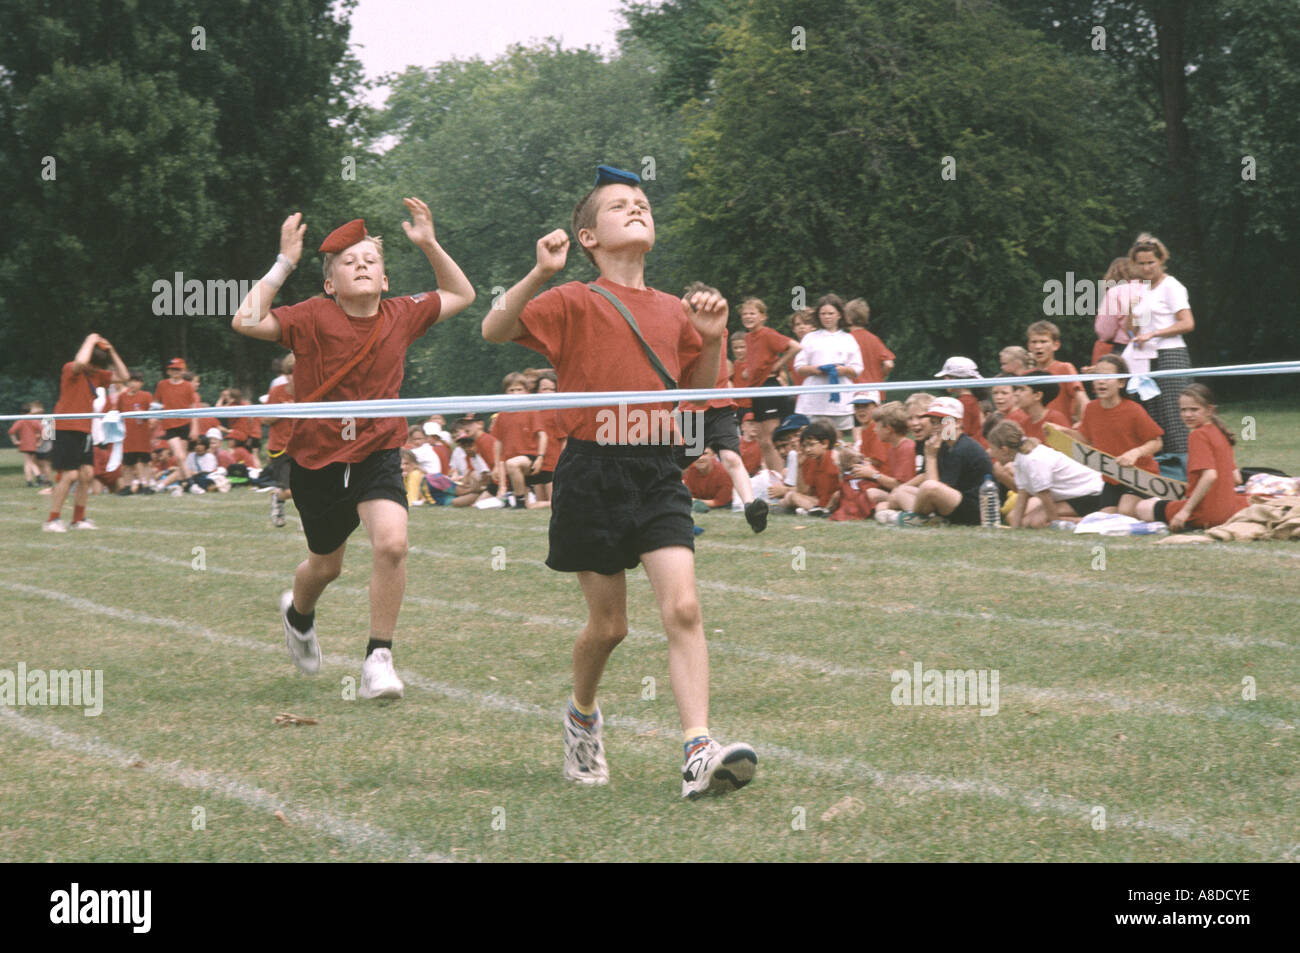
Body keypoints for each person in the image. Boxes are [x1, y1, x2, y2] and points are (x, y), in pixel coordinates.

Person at [481, 164, 757, 799]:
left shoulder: (673, 309)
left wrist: (712, 340)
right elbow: (496, 327)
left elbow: (695, 398)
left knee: (683, 608)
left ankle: (697, 750)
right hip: (591, 469)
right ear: (588, 237)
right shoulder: (573, 298)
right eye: (620, 206)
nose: (638, 209)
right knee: (610, 628)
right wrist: (540, 273)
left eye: (643, 203)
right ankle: (582, 717)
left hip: (657, 468)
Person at [231, 197, 475, 699]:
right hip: (317, 460)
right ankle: (298, 614)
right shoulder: (311, 316)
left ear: (385, 280)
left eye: (371, 261)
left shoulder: (402, 314)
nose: (362, 265)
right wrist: (284, 263)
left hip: (378, 452)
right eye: (349, 261)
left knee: (392, 543)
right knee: (326, 565)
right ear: (329, 282)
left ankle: (378, 659)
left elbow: (461, 293)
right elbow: (245, 321)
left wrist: (428, 242)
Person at [678, 282, 767, 532]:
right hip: (692, 409)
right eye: (699, 306)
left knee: (731, 457)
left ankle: (751, 506)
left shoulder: (719, 330)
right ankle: (674, 510)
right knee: (680, 463)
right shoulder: (681, 334)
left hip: (721, 406)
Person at [1058, 354, 1163, 515]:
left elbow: (1156, 442)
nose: (1101, 381)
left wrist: (1135, 453)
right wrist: (1061, 431)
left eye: (1107, 377)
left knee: (1125, 511)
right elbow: (1085, 439)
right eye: (1098, 376)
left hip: (1140, 478)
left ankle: (1154, 504)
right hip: (1112, 480)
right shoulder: (1092, 409)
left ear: (1121, 382)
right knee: (1106, 518)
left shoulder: (1133, 410)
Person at [44, 334, 129, 531]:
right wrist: (91, 340)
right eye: (92, 364)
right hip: (66, 428)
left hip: (85, 429)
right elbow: (81, 361)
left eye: (97, 365)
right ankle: (52, 520)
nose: (93, 368)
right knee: (70, 475)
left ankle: (78, 519)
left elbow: (124, 376)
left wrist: (112, 351)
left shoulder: (98, 375)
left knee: (87, 474)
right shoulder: (71, 369)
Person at [1135, 384, 1247, 532]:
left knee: (1141, 507)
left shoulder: (1197, 435)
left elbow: (1209, 476)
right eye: (1183, 410)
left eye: (1194, 409)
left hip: (1207, 514)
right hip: (1229, 511)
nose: (1188, 415)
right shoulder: (1220, 432)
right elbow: (1237, 479)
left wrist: (1185, 512)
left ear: (1209, 410)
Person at [1126, 232, 1195, 460]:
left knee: (1174, 413)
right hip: (1145, 358)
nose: (1146, 268)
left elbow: (1187, 323)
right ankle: (1162, 464)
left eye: (1151, 263)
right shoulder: (1141, 289)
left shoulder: (1171, 286)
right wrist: (1131, 311)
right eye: (1141, 264)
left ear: (1162, 261)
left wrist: (1155, 333)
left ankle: (1184, 461)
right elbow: (1132, 330)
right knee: (1151, 414)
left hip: (1171, 354)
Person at [881, 396, 992, 526]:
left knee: (929, 487)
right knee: (902, 491)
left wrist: (931, 456)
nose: (937, 427)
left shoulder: (963, 447)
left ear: (957, 422)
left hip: (975, 510)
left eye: (942, 421)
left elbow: (933, 488)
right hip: (954, 501)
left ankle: (913, 518)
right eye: (933, 422)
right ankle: (925, 520)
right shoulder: (944, 444)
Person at [987, 420, 1105, 528]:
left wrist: (1056, 524)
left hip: (1090, 494)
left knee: (1036, 522)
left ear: (1004, 450)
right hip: (1072, 496)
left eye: (992, 448)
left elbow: (1045, 496)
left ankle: (1089, 522)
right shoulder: (1020, 460)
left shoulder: (1032, 459)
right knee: (1024, 522)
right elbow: (1022, 497)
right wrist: (1015, 528)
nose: (990, 453)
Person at [738, 296, 800, 471]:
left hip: (769, 387)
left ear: (762, 316)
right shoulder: (749, 337)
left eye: (752, 313)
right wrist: (748, 372)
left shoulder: (767, 334)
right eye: (745, 314)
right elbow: (758, 360)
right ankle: (773, 477)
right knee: (762, 441)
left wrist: (778, 365)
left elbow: (795, 346)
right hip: (756, 390)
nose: (748, 317)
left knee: (771, 438)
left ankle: (780, 480)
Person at [792, 294, 863, 442]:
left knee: (836, 440)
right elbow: (799, 366)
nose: (827, 317)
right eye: (823, 314)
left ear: (839, 315)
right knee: (813, 439)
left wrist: (842, 371)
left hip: (839, 398)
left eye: (831, 313)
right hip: (814, 399)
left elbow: (857, 368)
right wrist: (816, 369)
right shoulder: (810, 338)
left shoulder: (848, 339)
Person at [491, 372, 546, 508]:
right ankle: (544, 503)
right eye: (511, 390)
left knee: (512, 464)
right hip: (510, 461)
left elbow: (543, 435)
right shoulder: (502, 415)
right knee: (530, 505)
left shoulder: (531, 410)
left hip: (529, 458)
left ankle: (519, 501)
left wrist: (540, 457)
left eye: (519, 389)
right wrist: (496, 465)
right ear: (505, 393)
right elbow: (498, 443)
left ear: (527, 391)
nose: (515, 393)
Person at [1026, 320, 1088, 424]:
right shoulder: (1026, 375)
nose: (1038, 346)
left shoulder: (1064, 368)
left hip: (1060, 432)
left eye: (1043, 341)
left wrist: (1083, 424)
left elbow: (1081, 398)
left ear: (1056, 345)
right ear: (1029, 346)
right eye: (1034, 342)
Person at [781, 420, 841, 515]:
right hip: (820, 502)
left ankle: (817, 511)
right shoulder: (812, 460)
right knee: (791, 496)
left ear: (825, 444)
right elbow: (804, 491)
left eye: (811, 445)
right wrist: (800, 466)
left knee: (838, 495)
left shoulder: (835, 458)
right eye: (804, 446)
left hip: (836, 502)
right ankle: (815, 511)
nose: (807, 450)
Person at [263, 353, 296, 527]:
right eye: (291, 373)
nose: (294, 377)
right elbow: (265, 419)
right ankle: (278, 496)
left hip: (303, 446)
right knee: (290, 491)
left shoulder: (311, 393)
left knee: (308, 487)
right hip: (280, 447)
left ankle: (308, 521)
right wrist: (282, 410)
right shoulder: (277, 392)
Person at [1091, 257, 1140, 367]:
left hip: (1123, 350)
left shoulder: (1115, 292)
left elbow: (1105, 332)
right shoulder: (1151, 288)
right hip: (1152, 349)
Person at [156, 358, 199, 480]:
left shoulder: (187, 386)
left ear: (183, 371)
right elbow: (157, 404)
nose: (175, 372)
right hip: (169, 424)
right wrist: (155, 417)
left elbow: (193, 408)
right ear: (168, 371)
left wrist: (194, 428)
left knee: (182, 458)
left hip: (185, 423)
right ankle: (190, 482)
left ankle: (182, 484)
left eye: (178, 369)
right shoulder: (162, 384)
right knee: (179, 456)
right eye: (173, 369)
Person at [934, 356, 985, 446]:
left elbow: (954, 435)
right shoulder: (968, 400)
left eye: (946, 377)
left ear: (954, 378)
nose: (943, 380)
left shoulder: (964, 403)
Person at [843, 297, 895, 383]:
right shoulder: (874, 339)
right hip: (875, 390)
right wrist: (878, 377)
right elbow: (889, 364)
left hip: (853, 391)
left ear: (848, 318)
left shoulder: (845, 339)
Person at [8, 403, 43, 486]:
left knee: (27, 462)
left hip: (24, 444)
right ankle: (38, 477)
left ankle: (30, 480)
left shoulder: (21, 420)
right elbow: (43, 431)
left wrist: (15, 441)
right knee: (30, 461)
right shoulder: (35, 420)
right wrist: (40, 442)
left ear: (21, 412)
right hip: (33, 443)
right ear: (30, 411)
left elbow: (11, 431)